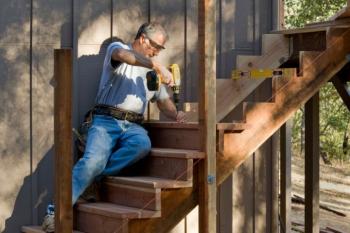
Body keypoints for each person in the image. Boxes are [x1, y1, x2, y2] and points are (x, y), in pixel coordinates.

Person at [42, 22, 186, 232]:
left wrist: (176, 114)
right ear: (143, 38)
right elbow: (124, 55)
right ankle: (54, 213)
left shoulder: (152, 73)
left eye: (160, 49)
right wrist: (155, 65)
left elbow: (163, 101)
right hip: (105, 120)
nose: (157, 52)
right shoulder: (118, 50)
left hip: (133, 125)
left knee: (142, 145)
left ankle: (95, 179)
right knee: (92, 162)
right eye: (156, 46)